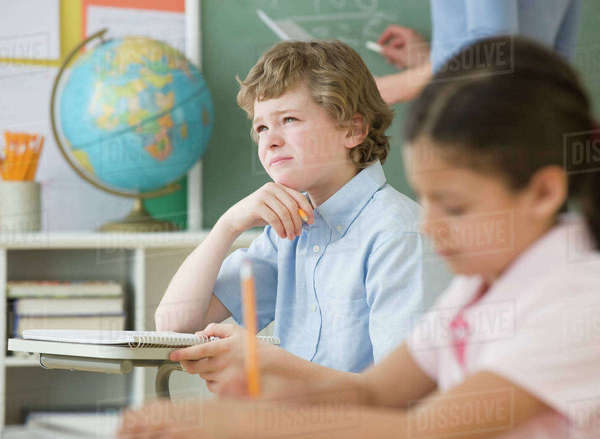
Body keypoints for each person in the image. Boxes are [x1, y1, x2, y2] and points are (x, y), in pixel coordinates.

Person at [119, 36, 600, 439]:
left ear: (543, 193)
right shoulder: (484, 281)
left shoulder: (577, 301)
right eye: (428, 201)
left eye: (454, 207)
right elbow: (371, 393)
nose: (431, 226)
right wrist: (240, 408)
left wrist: (239, 422)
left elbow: (419, 429)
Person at [154, 40, 442, 396]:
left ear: (353, 130)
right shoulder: (290, 231)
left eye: (288, 120)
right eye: (261, 128)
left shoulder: (397, 234)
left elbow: (402, 397)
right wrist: (228, 225)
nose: (270, 141)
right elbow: (174, 323)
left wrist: (265, 362)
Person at [375, 0, 581, 104]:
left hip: (478, 132)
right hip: (532, 120)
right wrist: (430, 61)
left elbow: (491, 52)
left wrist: (390, 88)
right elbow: (557, 59)